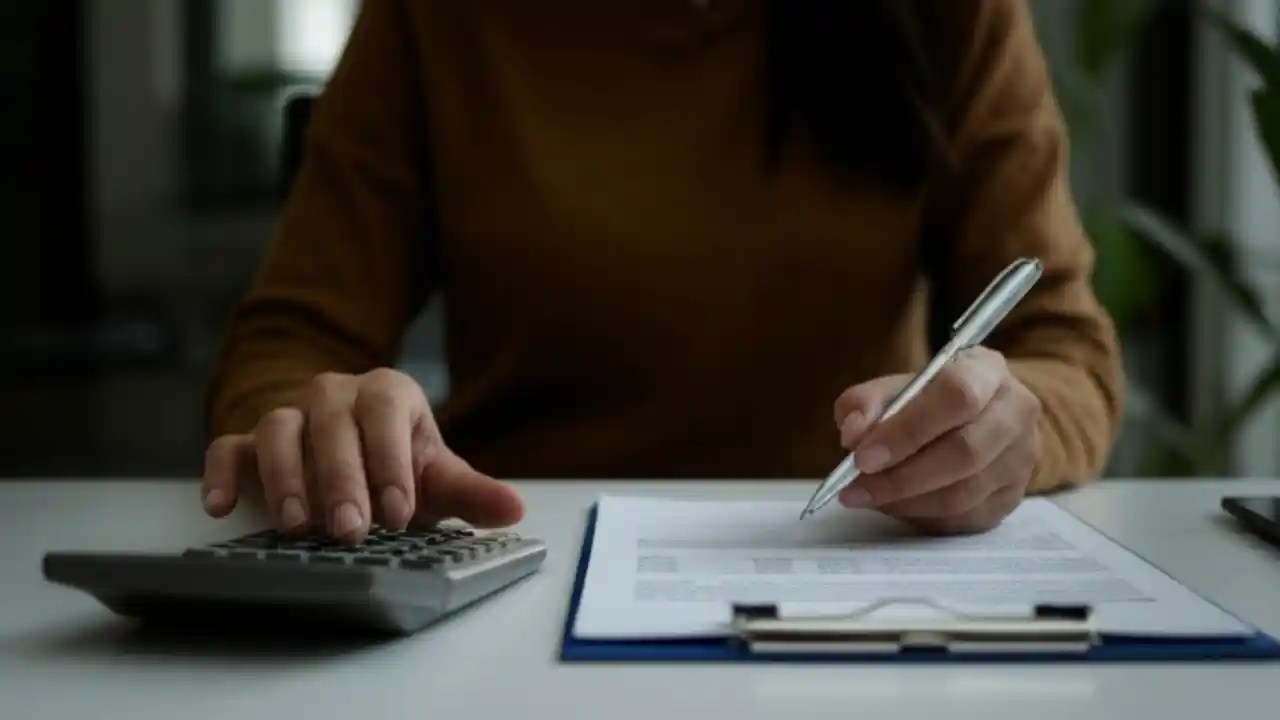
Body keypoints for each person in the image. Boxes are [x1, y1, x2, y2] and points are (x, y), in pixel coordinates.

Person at [201, 0, 1123, 542]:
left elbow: (1063, 347)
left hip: (847, 562)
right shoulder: (439, 19)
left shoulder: (955, 13)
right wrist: (322, 436)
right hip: (507, 564)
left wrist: (1004, 435)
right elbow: (291, 344)